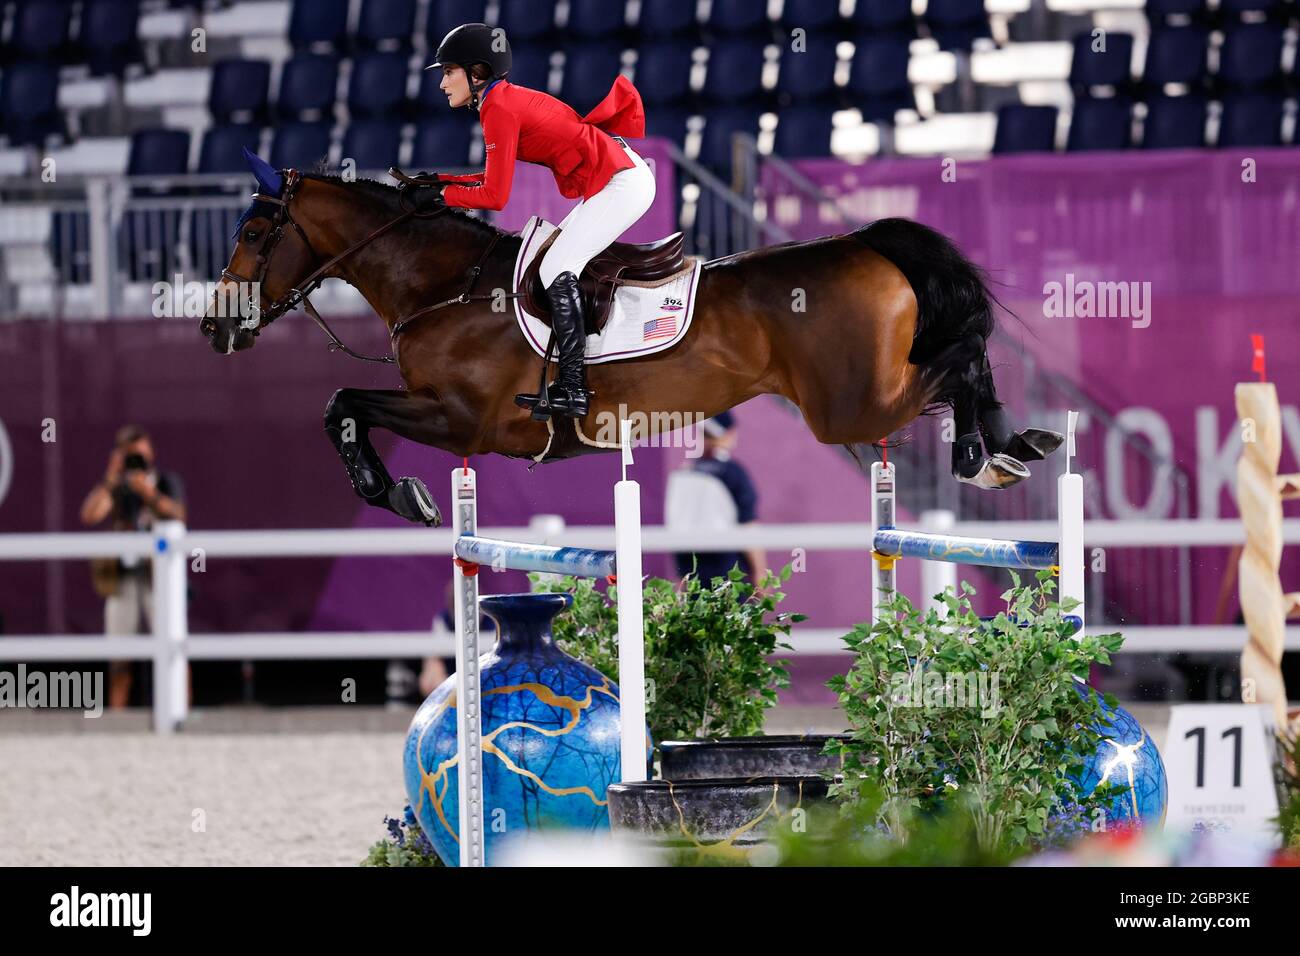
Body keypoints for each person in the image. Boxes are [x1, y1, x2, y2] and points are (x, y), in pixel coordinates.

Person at [427, 22, 656, 418]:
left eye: (449, 72)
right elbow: (492, 179)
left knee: (554, 268)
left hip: (623, 182)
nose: (443, 83)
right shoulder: (500, 100)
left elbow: (495, 196)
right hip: (619, 177)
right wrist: (440, 182)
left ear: (476, 73)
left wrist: (442, 196)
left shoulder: (498, 108)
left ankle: (574, 388)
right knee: (551, 263)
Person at [79, 426, 187, 708]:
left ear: (151, 452)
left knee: (173, 648)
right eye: (131, 455)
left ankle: (180, 711)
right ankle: (117, 720)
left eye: (141, 453)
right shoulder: (117, 486)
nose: (137, 460)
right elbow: (90, 515)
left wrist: (147, 492)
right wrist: (111, 479)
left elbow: (178, 515)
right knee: (119, 655)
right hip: (123, 578)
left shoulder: (165, 481)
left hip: (158, 576)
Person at [666, 412, 767, 584]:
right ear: (730, 433)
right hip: (727, 568)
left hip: (690, 569)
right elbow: (748, 526)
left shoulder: (683, 472)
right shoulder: (733, 473)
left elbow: (675, 527)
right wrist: (760, 571)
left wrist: (680, 578)